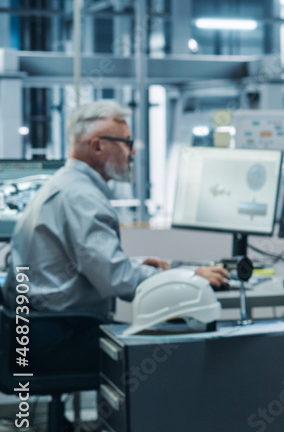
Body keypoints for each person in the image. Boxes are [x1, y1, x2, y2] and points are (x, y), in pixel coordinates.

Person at [3, 101, 229, 372]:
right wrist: (191, 278)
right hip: (58, 337)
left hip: (35, 333)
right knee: (171, 352)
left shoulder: (64, 185)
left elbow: (99, 264)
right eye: (126, 142)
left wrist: (138, 267)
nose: (132, 152)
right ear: (97, 145)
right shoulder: (82, 197)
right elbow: (119, 282)